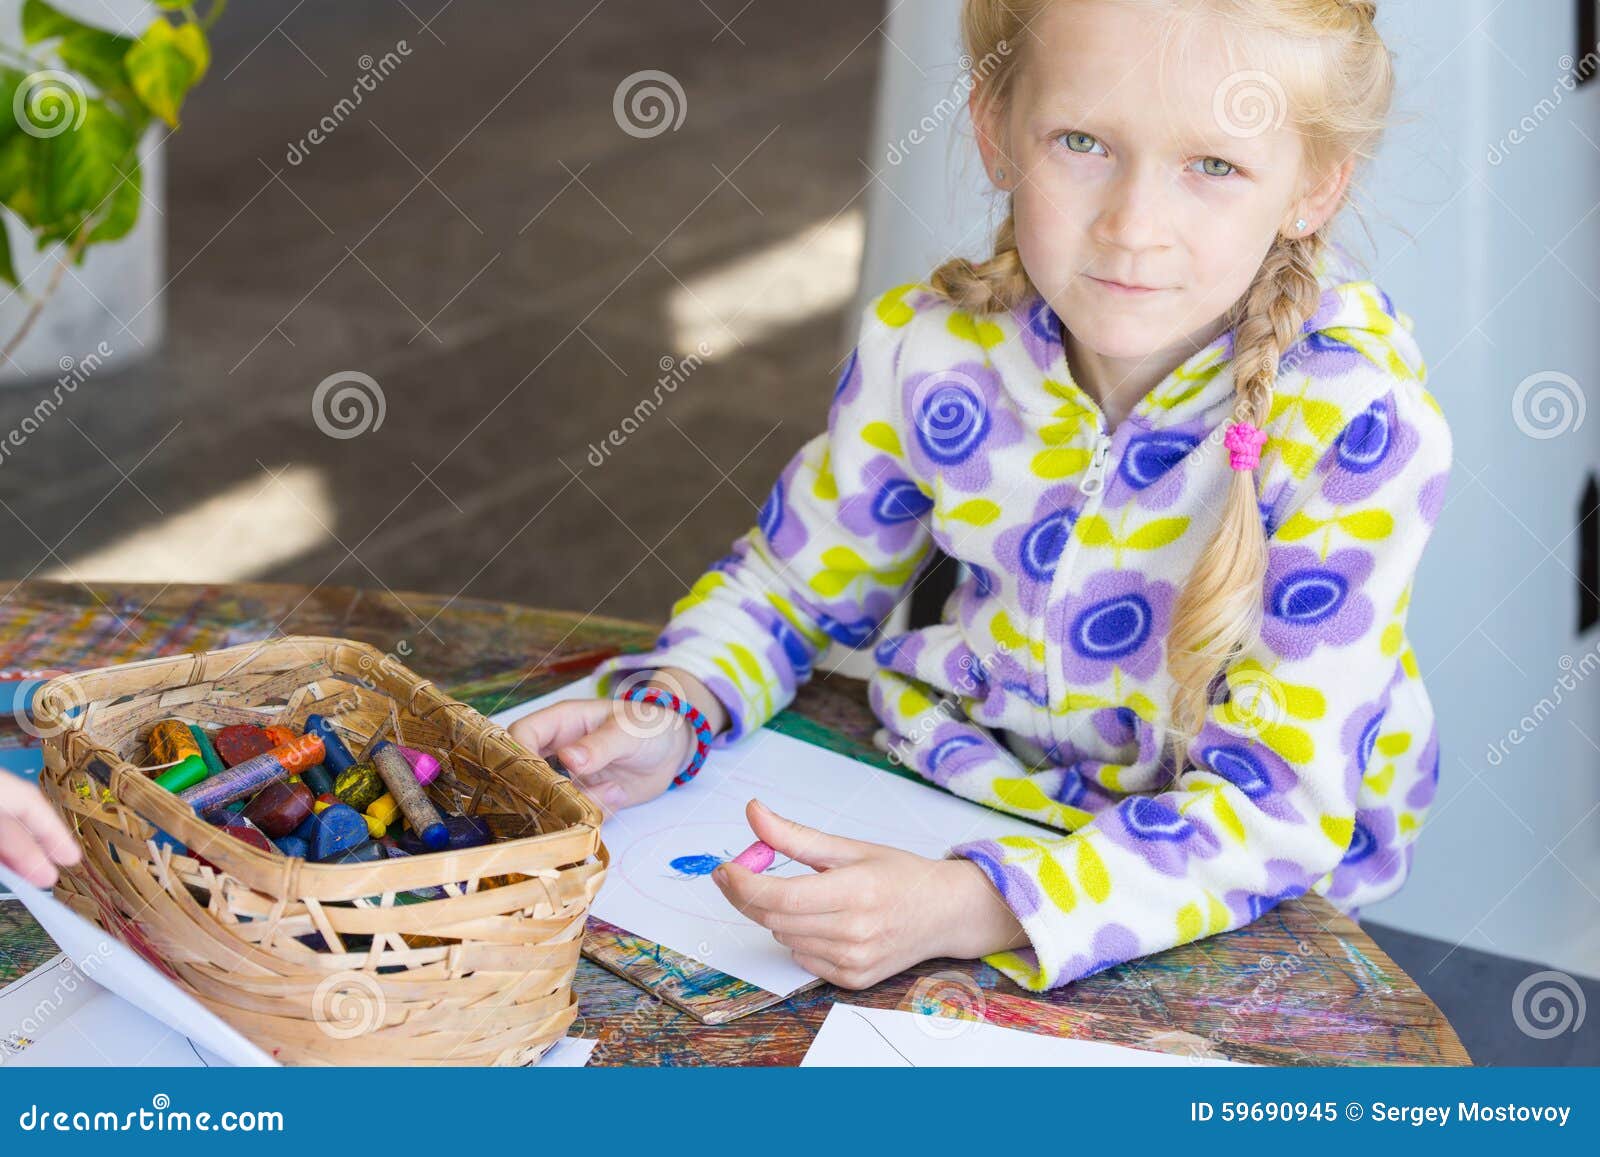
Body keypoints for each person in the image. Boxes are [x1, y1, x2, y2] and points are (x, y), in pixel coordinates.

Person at [512, 0, 1451, 992]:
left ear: (1314, 185)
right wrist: (673, 709)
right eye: (1082, 142)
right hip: (961, 799)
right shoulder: (932, 353)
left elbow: (1277, 809)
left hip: (1228, 900)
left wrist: (975, 905)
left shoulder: (1356, 425)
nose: (1133, 227)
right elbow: (791, 585)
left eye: (1212, 165)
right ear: (995, 130)